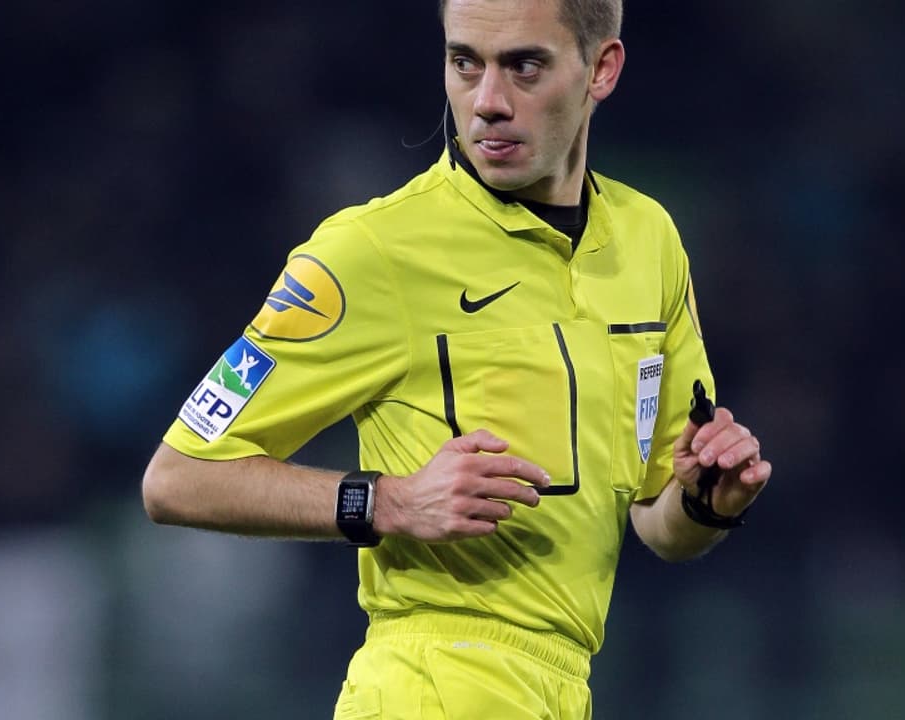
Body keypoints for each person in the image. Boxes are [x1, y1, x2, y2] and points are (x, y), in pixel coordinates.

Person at [142, 0, 771, 717]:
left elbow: (659, 522)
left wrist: (707, 501)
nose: (488, 103)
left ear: (602, 69)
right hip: (429, 687)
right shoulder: (373, 252)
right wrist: (390, 500)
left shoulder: (648, 242)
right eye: (464, 63)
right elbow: (179, 478)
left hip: (562, 688)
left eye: (524, 66)